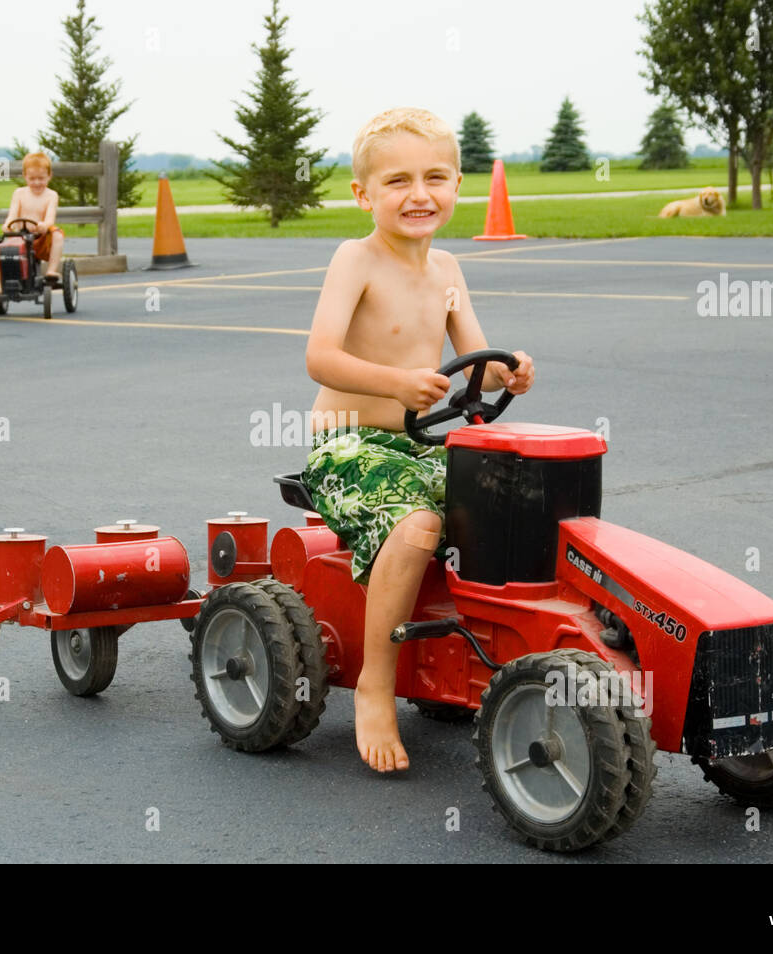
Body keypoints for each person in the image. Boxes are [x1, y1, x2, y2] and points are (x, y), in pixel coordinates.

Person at [300, 107, 534, 773]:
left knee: (511, 500)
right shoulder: (356, 260)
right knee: (417, 524)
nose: (419, 194)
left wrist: (510, 371)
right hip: (347, 444)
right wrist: (397, 383)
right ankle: (376, 684)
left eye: (435, 177)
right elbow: (320, 357)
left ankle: (492, 653)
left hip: (417, 444)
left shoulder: (450, 271)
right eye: (398, 181)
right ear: (363, 194)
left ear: (458, 183)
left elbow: (477, 362)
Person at [0, 152, 64, 298]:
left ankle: (51, 271)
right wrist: (8, 225)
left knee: (57, 234)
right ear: (25, 176)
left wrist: (44, 225)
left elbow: (50, 219)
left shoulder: (51, 195)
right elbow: (12, 214)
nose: (36, 183)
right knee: (1, 252)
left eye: (41, 178)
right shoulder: (19, 193)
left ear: (49, 176)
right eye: (32, 179)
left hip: (40, 237)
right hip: (20, 237)